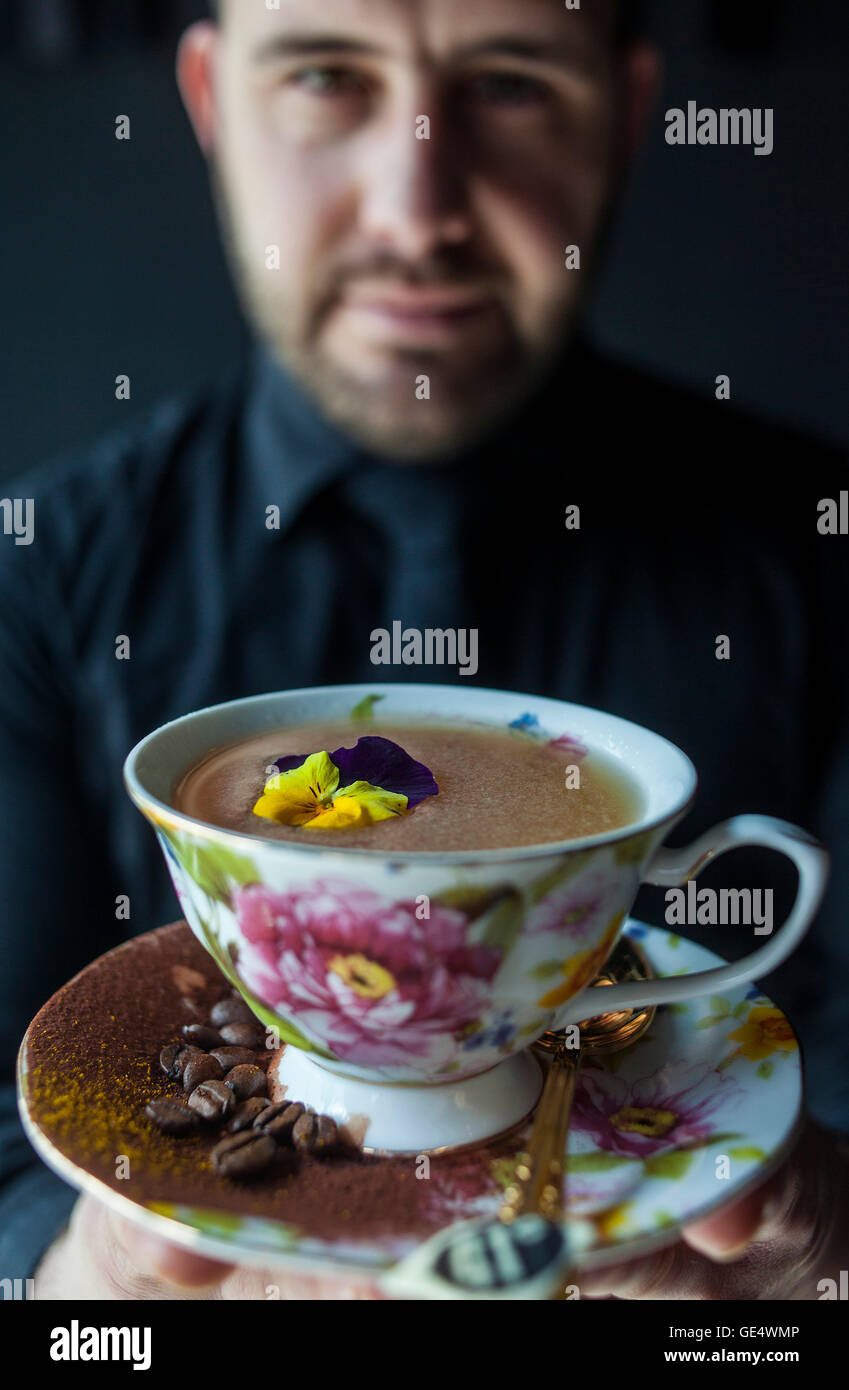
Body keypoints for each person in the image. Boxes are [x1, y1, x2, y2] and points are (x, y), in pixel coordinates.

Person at [3, 0, 848, 1301]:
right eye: (327, 75)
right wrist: (75, 1300)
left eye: (507, 83)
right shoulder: (38, 579)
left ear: (625, 113)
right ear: (216, 99)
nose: (417, 211)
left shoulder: (821, 561)